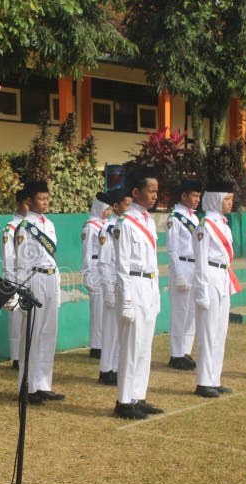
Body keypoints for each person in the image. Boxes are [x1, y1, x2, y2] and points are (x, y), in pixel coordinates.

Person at [113, 167, 163, 420]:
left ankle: (138, 395)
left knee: (144, 346)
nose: (155, 195)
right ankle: (124, 400)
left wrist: (156, 293)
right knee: (131, 346)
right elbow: (121, 265)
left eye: (156, 191)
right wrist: (126, 300)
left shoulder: (148, 221)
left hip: (149, 285)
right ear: (136, 192)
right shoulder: (125, 223)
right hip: (133, 284)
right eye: (150, 190)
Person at [14, 180, 64, 405]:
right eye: (40, 199)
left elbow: (53, 257)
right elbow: (22, 262)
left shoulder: (50, 224)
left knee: (48, 333)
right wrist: (22, 290)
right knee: (32, 334)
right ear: (29, 201)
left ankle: (44, 383)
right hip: (34, 278)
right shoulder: (25, 227)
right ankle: (28, 386)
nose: (45, 203)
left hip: (51, 277)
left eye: (47, 199)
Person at [193, 181, 240, 398]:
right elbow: (201, 261)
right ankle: (203, 381)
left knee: (220, 329)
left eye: (231, 199)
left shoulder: (223, 224)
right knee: (208, 330)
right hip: (210, 276)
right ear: (215, 199)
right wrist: (201, 290)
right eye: (227, 199)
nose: (231, 203)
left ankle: (215, 377)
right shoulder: (205, 225)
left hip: (223, 275)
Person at [165, 180, 203, 371]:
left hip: (194, 266)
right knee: (179, 312)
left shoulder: (194, 218)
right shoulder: (175, 218)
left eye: (199, 196)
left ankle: (185, 351)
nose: (198, 200)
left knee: (191, 313)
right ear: (183, 196)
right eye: (194, 196)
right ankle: (176, 353)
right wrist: (178, 273)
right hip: (181, 265)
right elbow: (172, 250)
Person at [97, 188, 131, 386]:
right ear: (116, 206)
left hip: (124, 283)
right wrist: (109, 290)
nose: (129, 209)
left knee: (122, 330)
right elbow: (104, 263)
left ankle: (117, 367)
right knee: (110, 329)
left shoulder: (126, 226)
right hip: (113, 283)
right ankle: (106, 369)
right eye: (126, 205)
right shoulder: (108, 229)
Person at [1, 187, 29, 370]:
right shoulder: (10, 228)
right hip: (16, 276)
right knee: (16, 320)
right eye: (26, 203)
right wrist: (11, 285)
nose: (29, 206)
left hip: (32, 277)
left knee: (30, 319)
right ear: (18, 204)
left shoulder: (34, 226)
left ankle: (27, 355)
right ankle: (17, 358)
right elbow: (8, 258)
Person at [81, 191, 111, 360]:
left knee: (105, 308)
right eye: (106, 209)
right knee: (97, 309)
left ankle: (103, 343)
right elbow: (87, 251)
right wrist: (87, 273)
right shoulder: (90, 226)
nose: (108, 212)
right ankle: (96, 345)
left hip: (105, 267)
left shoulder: (106, 225)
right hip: (94, 266)